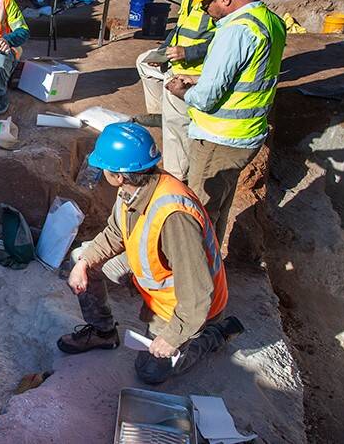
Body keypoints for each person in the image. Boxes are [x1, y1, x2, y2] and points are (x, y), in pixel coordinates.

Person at [56, 123, 244, 384]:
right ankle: (103, 332)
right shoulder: (134, 188)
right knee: (81, 259)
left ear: (119, 175)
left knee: (150, 371)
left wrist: (174, 336)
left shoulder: (175, 217)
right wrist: (86, 262)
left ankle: (213, 334)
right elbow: (115, 232)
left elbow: (198, 292)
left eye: (104, 168)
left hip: (182, 302)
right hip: (153, 273)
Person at [166, 0, 285, 245]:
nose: (207, 11)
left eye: (207, 4)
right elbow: (248, 74)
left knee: (196, 215)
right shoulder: (269, 20)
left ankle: (194, 281)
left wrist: (182, 92)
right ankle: (214, 270)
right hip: (245, 135)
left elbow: (206, 98)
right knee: (216, 211)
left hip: (218, 137)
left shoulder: (235, 32)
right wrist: (199, 77)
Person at [133, 0, 216, 182]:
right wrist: (162, 52)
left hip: (194, 68)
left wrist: (187, 53)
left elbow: (221, 42)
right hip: (178, 57)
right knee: (144, 63)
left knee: (176, 124)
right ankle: (158, 114)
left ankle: (175, 178)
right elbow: (180, 27)